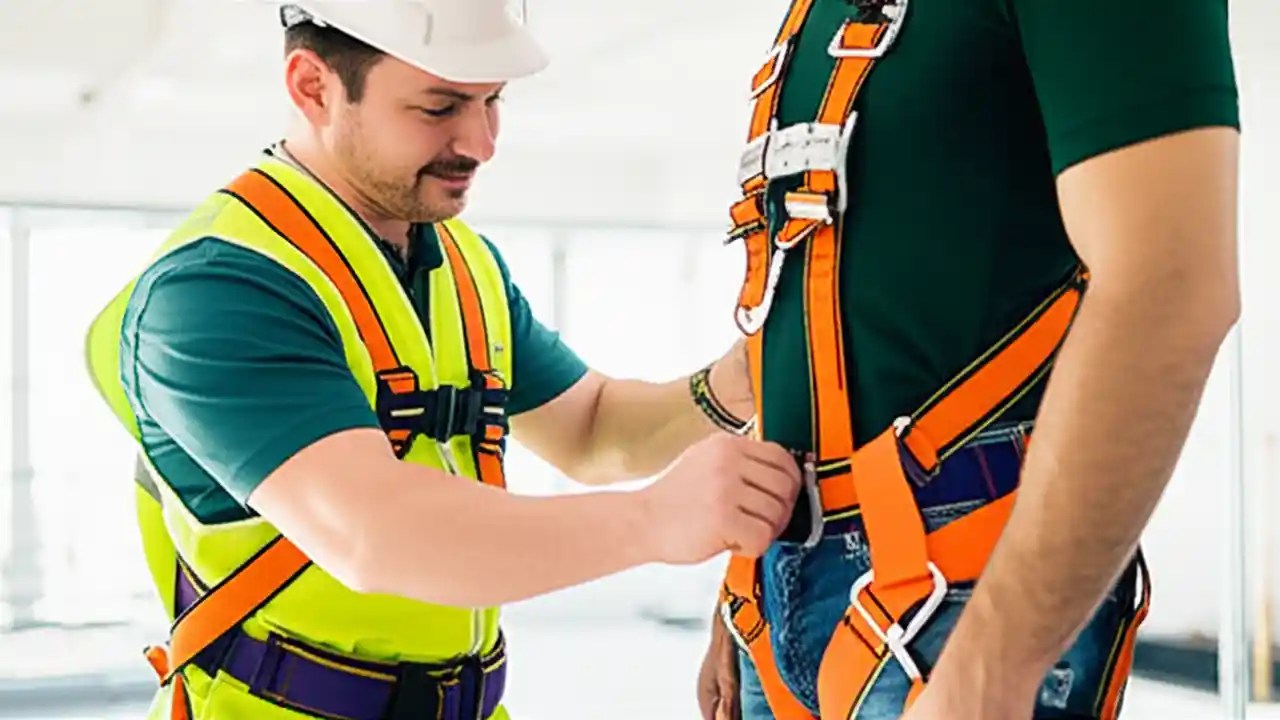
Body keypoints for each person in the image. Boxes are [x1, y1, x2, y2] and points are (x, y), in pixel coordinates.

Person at [82, 2, 801, 719]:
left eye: (493, 102)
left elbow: (591, 428)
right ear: (313, 87)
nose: (481, 142)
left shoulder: (462, 264)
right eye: (440, 107)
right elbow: (376, 534)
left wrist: (736, 382)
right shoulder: (218, 288)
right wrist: (653, 521)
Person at [696, 0, 1241, 719]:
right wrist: (759, 570)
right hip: (781, 594)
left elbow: (1168, 287)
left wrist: (991, 673)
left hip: (956, 598)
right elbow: (836, 307)